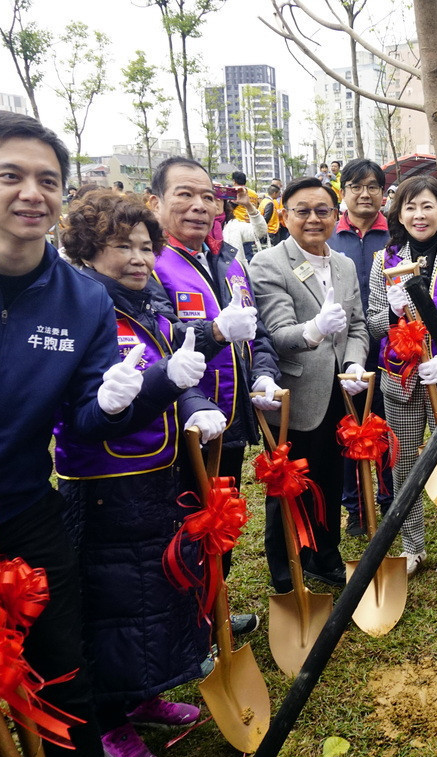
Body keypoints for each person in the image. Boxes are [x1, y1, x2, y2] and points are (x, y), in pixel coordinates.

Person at [0, 110, 149, 757]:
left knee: (62, 667)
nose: (31, 192)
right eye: (10, 175)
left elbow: (82, 420)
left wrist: (108, 404)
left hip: (23, 508)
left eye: (48, 179)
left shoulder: (83, 300)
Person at [56, 189, 225, 757]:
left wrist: (200, 388)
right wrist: (157, 386)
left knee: (155, 592)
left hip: (156, 480)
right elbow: (92, 413)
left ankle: (144, 693)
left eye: (145, 246)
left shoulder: (148, 306)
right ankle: (108, 719)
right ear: (87, 250)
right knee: (108, 608)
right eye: (120, 246)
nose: (138, 258)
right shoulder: (80, 311)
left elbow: (182, 365)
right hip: (103, 487)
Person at [147, 156, 283, 603]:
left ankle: (215, 613)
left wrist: (262, 375)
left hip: (231, 423)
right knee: (185, 525)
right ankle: (190, 624)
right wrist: (215, 332)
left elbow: (257, 332)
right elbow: (159, 341)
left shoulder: (229, 262)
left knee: (222, 519)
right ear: (155, 202)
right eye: (184, 195)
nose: (198, 206)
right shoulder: (150, 265)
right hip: (181, 426)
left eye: (207, 196)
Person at [249, 177, 370, 592]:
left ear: (337, 216)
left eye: (323, 211)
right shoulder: (269, 264)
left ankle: (325, 554)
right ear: (284, 216)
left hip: (340, 393)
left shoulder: (345, 264)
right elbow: (278, 333)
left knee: (331, 477)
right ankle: (285, 570)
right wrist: (315, 330)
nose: (313, 219)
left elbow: (357, 326)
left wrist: (354, 364)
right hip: (294, 395)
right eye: (302, 210)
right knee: (289, 483)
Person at [367, 176, 437, 586]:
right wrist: (392, 313)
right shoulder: (384, 260)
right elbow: (374, 323)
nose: (419, 215)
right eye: (410, 207)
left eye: (427, 206)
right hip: (401, 380)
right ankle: (412, 546)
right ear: (398, 213)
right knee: (404, 464)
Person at [330, 158, 393, 535]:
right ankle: (354, 504)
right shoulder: (327, 237)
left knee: (384, 426)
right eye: (356, 186)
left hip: (388, 349)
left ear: (383, 193)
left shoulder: (395, 236)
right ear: (344, 192)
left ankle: (386, 498)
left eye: (372, 186)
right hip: (341, 351)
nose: (365, 193)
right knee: (347, 426)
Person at [219, 195, 269, 266]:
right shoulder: (199, 229)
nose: (215, 202)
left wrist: (249, 206)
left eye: (219, 198)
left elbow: (260, 231)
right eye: (209, 198)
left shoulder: (233, 226)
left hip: (236, 274)